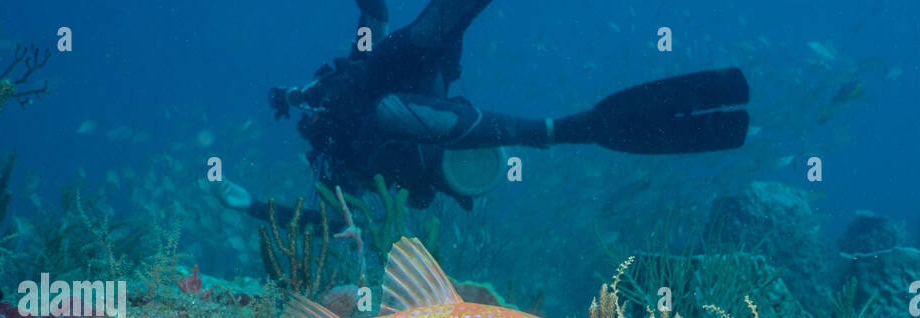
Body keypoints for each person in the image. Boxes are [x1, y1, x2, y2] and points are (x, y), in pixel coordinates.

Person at [223, 0, 750, 228]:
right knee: (394, 86)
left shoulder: (352, 76)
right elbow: (336, 220)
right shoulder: (331, 163)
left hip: (421, 97)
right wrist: (251, 205)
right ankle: (559, 130)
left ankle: (558, 130)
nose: (307, 111)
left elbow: (374, 15)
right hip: (425, 123)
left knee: (421, 45)